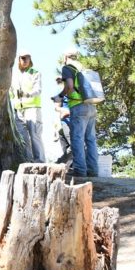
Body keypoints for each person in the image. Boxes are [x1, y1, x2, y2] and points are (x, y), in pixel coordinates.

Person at [55, 47, 99, 177]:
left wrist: (60, 96)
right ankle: (93, 170)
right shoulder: (82, 68)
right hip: (91, 105)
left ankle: (80, 170)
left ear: (65, 57)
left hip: (78, 106)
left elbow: (69, 86)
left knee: (77, 139)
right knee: (90, 139)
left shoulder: (67, 68)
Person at [10, 50, 44, 162]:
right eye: (23, 58)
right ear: (19, 60)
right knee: (23, 138)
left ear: (30, 59)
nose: (25, 60)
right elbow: (10, 92)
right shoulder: (14, 75)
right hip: (18, 111)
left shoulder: (35, 72)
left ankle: (40, 160)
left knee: (34, 135)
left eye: (27, 58)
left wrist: (27, 94)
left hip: (32, 108)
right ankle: (28, 161)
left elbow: (38, 90)